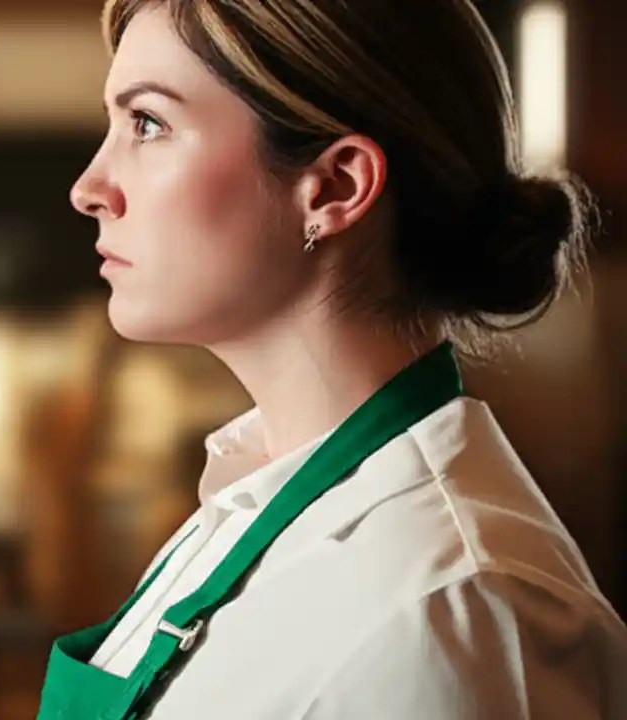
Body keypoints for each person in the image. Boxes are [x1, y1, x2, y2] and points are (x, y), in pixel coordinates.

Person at [39, 1, 627, 718]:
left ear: (335, 186)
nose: (89, 188)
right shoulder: (241, 507)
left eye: (149, 125)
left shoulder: (454, 610)